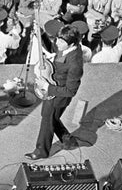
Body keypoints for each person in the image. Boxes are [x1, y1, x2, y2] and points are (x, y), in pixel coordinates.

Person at [27, 24, 84, 159]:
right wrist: (41, 34)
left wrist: (47, 87)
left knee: (47, 120)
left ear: (71, 44)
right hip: (53, 87)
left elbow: (70, 91)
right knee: (52, 117)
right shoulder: (65, 48)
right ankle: (67, 140)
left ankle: (41, 151)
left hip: (58, 95)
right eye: (58, 39)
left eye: (61, 41)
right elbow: (53, 48)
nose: (57, 43)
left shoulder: (75, 63)